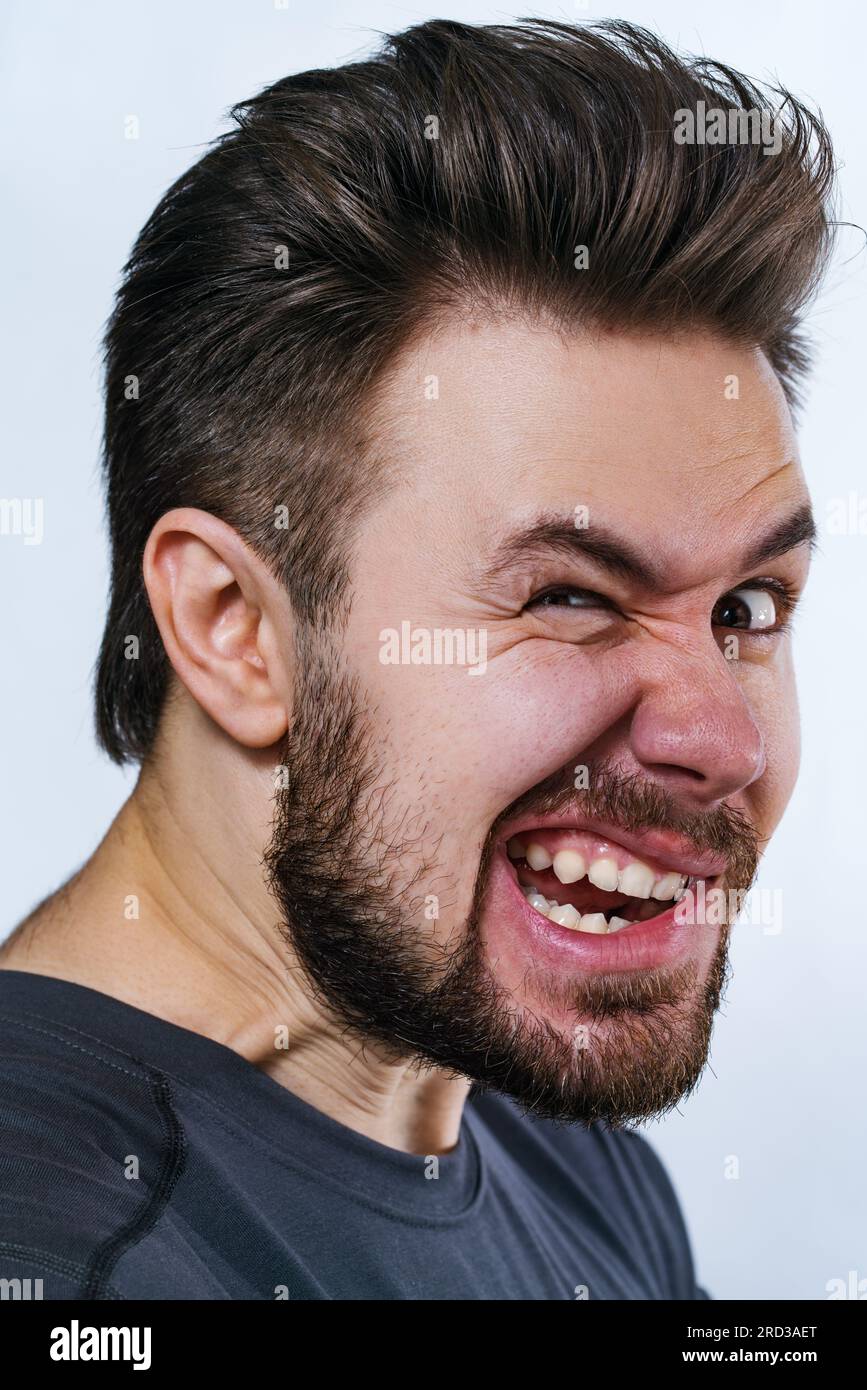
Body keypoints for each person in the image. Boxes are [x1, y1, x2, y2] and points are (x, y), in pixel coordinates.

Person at [0, 18, 835, 1300]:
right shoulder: (62, 1261)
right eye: (570, 596)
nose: (726, 741)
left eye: (747, 609)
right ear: (235, 628)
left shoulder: (562, 1150)